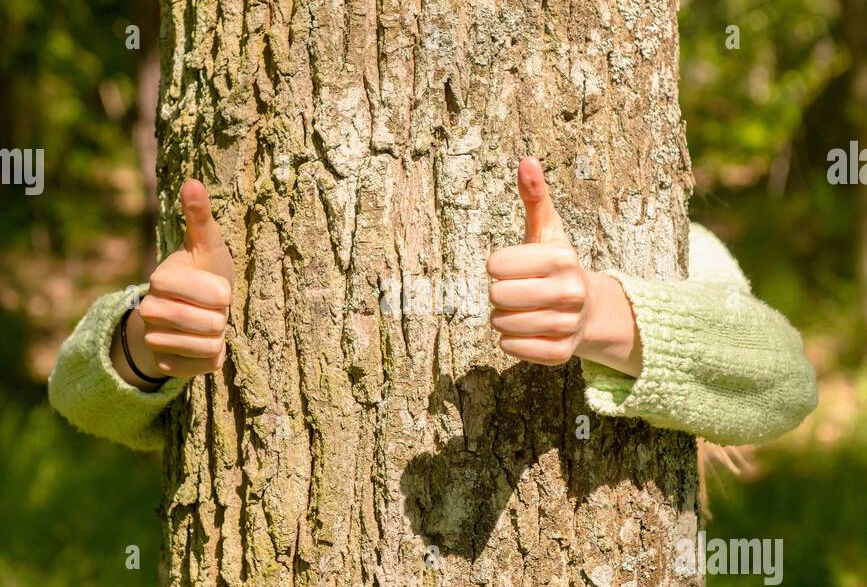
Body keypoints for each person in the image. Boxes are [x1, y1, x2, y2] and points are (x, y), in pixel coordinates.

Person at [48, 158, 817, 453]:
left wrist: (603, 316)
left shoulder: (665, 243)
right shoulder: (199, 258)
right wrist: (143, 340)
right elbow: (78, 395)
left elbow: (782, 383)